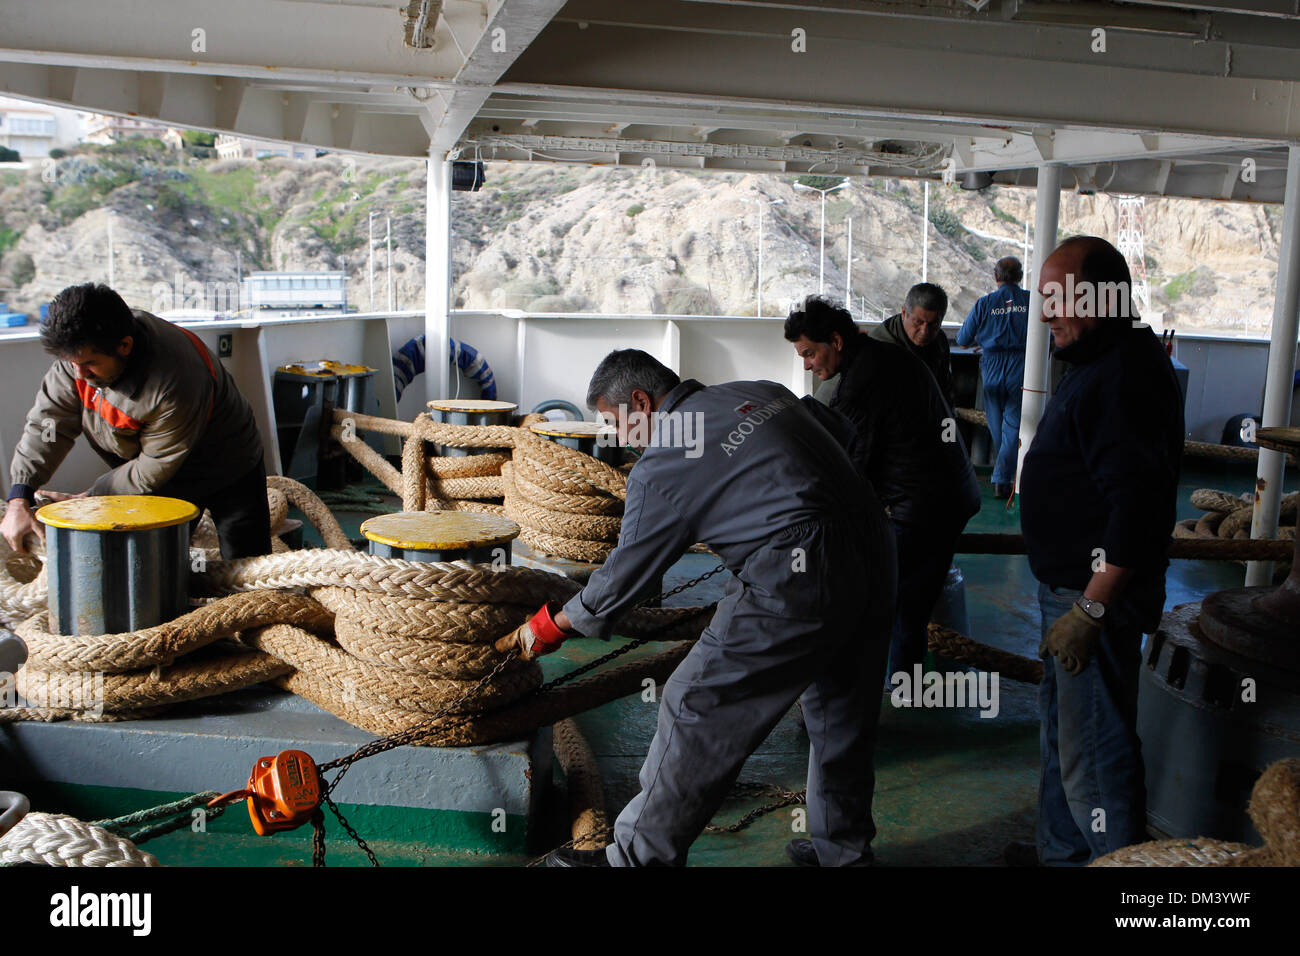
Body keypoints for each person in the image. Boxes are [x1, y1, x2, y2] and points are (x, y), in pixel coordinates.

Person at [495, 348, 897, 867]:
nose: (618, 439)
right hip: (876, 547)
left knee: (694, 704)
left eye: (616, 423)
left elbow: (625, 576)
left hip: (795, 575)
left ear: (641, 401)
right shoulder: (761, 392)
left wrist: (553, 624)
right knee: (841, 711)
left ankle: (636, 859)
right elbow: (841, 435)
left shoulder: (662, 462)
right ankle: (844, 852)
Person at [1015, 236, 1184, 867]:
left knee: (1095, 759)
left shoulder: (1125, 377)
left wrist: (1089, 612)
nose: (1046, 313)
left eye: (1057, 298)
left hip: (1092, 603)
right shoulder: (1101, 359)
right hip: (1071, 594)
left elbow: (1137, 510)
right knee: (1066, 741)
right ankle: (1060, 857)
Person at [786, 295, 980, 684]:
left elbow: (849, 469)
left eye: (809, 353)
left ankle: (847, 695)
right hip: (951, 498)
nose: (806, 363)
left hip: (921, 507)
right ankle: (903, 687)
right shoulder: (879, 356)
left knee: (865, 598)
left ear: (836, 342)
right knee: (911, 603)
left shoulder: (863, 381)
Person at [2, 283, 269, 559]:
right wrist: (20, 496)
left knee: (245, 567)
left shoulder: (176, 380)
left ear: (125, 346)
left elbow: (151, 468)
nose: (79, 375)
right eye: (71, 364)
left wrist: (91, 499)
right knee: (159, 566)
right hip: (154, 468)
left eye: (89, 364)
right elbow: (48, 427)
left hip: (226, 463)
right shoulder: (79, 355)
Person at [957, 257, 1031, 499]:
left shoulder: (985, 303)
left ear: (996, 276)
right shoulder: (1032, 301)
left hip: (991, 365)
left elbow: (962, 339)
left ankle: (1002, 477)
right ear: (1020, 276)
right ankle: (1003, 477)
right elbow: (1048, 338)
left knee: (997, 423)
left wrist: (986, 342)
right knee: (1011, 424)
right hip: (1021, 364)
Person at [869, 282, 955, 408]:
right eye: (918, 322)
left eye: (933, 325)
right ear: (904, 313)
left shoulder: (939, 340)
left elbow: (945, 389)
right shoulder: (879, 345)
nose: (924, 331)